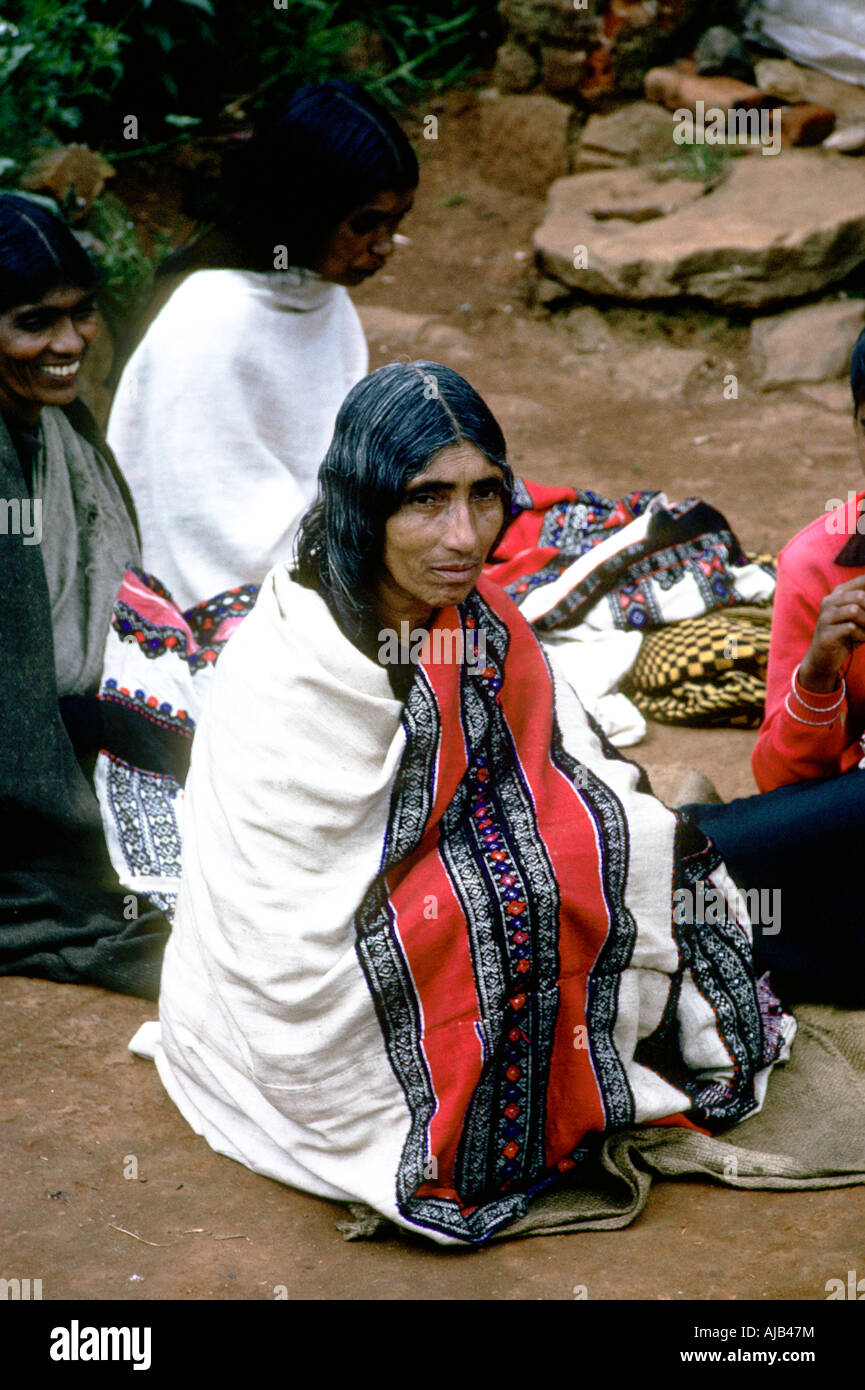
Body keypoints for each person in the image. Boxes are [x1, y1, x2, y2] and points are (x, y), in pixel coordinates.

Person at [151, 361, 792, 1246]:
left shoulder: (477, 617)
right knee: (508, 905)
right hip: (313, 975)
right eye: (424, 500)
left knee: (646, 844)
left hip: (435, 860)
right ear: (362, 503)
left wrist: (595, 835)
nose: (463, 535)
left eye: (484, 497)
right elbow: (291, 902)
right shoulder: (285, 662)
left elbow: (553, 761)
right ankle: (469, 1136)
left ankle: (551, 1092)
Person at [107, 81, 418, 611]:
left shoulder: (322, 296)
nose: (386, 246)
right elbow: (206, 539)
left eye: (398, 222)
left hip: (320, 551)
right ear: (303, 211)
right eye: (365, 224)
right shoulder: (208, 320)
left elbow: (331, 466)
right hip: (224, 600)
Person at [0, 193, 170, 998]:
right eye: (35, 321)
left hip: (64, 727)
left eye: (82, 314)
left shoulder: (50, 420)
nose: (68, 343)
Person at [686, 329, 865, 1005]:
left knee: (732, 888)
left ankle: (694, 840)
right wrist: (819, 674)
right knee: (722, 893)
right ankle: (687, 849)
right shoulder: (817, 563)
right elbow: (784, 780)